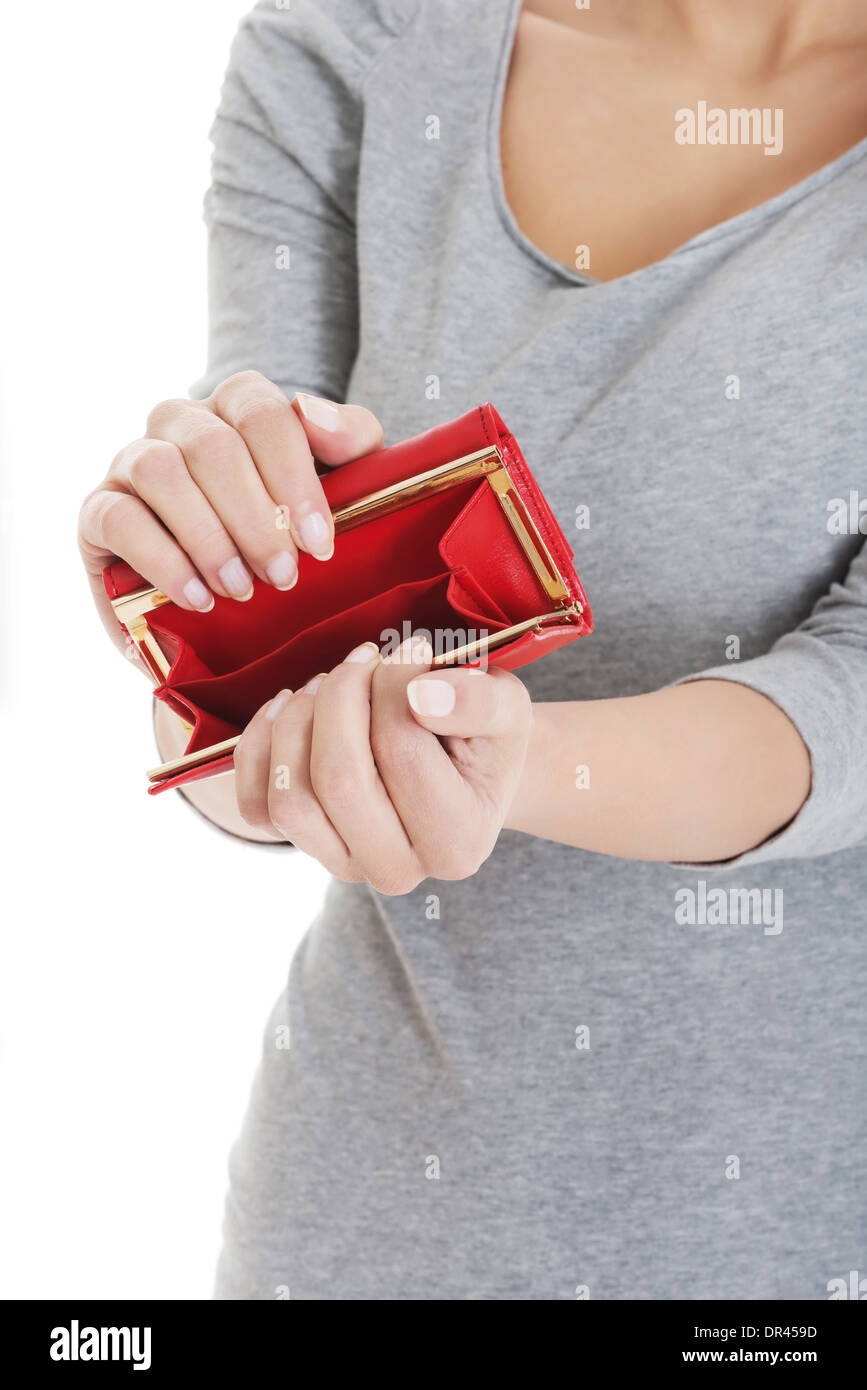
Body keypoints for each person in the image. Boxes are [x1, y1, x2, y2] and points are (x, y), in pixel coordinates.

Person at [78, 0, 867, 1299]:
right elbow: (231, 747)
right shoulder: (355, 45)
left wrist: (522, 763)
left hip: (797, 1241)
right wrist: (180, 588)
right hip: (377, 1222)